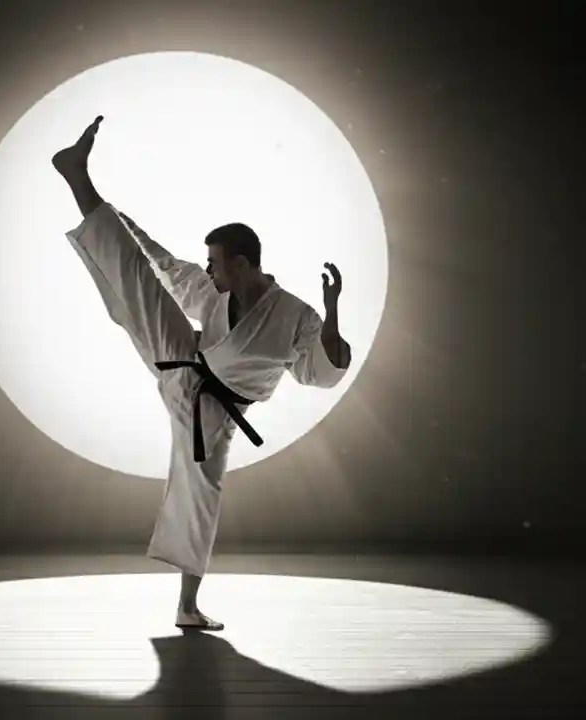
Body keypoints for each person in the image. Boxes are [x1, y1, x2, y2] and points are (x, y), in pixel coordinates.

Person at [53, 116, 352, 631]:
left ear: (242, 263)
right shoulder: (216, 290)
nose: (209, 270)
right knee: (137, 282)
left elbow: (321, 372)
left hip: (215, 411)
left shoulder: (296, 316)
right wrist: (118, 219)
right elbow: (166, 265)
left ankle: (187, 607)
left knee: (200, 496)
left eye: (216, 262)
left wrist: (333, 311)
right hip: (181, 364)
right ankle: (78, 177)